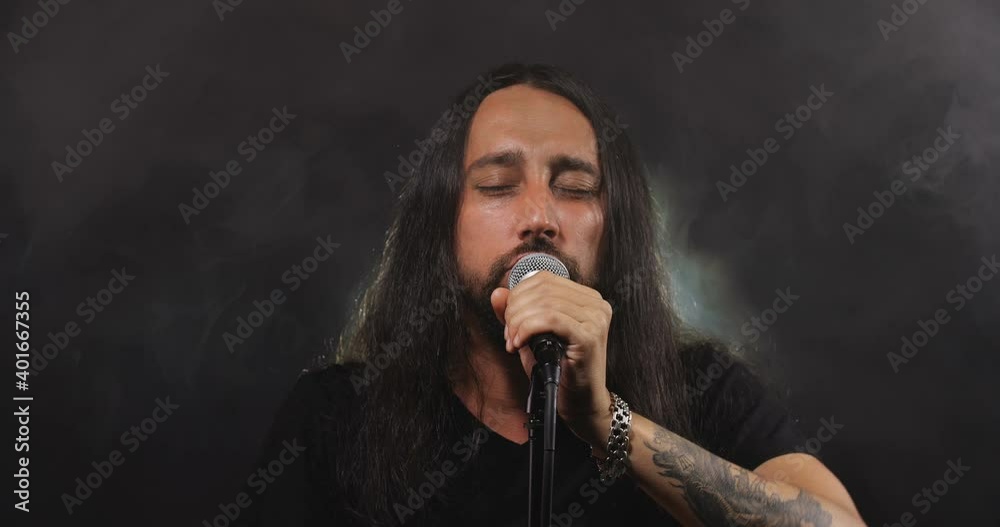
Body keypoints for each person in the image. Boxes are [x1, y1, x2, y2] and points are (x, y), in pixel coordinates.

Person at [237, 63, 866, 526]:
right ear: (443, 225)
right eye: (497, 185)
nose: (539, 215)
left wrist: (604, 422)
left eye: (574, 186)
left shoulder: (707, 392)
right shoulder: (335, 416)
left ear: (611, 227)